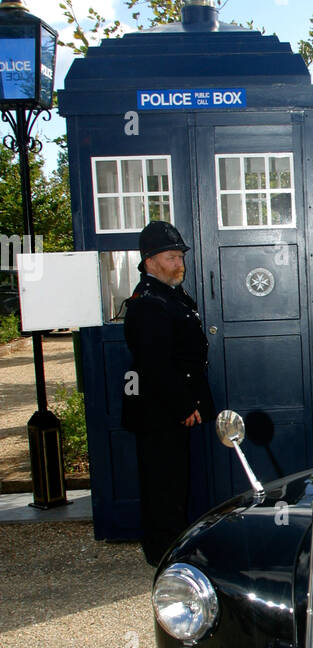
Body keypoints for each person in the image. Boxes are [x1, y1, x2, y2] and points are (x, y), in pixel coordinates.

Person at [122, 220, 216, 566]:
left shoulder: (167, 294)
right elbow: (155, 364)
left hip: (170, 407)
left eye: (180, 256)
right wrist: (183, 405)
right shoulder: (149, 303)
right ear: (151, 262)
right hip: (159, 411)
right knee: (163, 485)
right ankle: (163, 553)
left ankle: (171, 545)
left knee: (174, 482)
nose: (181, 264)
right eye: (173, 257)